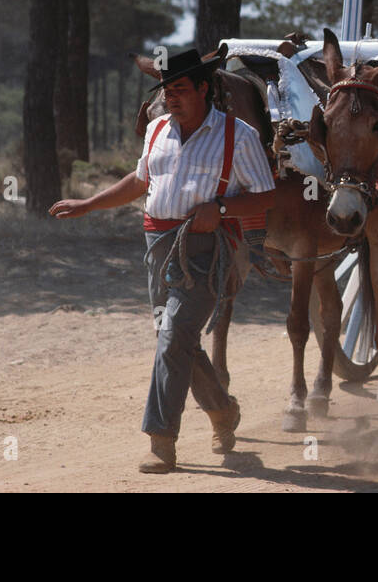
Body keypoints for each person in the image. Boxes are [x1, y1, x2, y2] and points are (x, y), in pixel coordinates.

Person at [49, 49, 276, 474]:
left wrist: (222, 210)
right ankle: (223, 411)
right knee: (177, 340)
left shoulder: (238, 135)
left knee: (172, 336)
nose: (171, 98)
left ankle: (160, 440)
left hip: (206, 250)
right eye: (167, 90)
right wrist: (89, 204)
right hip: (157, 246)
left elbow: (266, 195)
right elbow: (140, 181)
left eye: (180, 89)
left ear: (204, 89)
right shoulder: (156, 131)